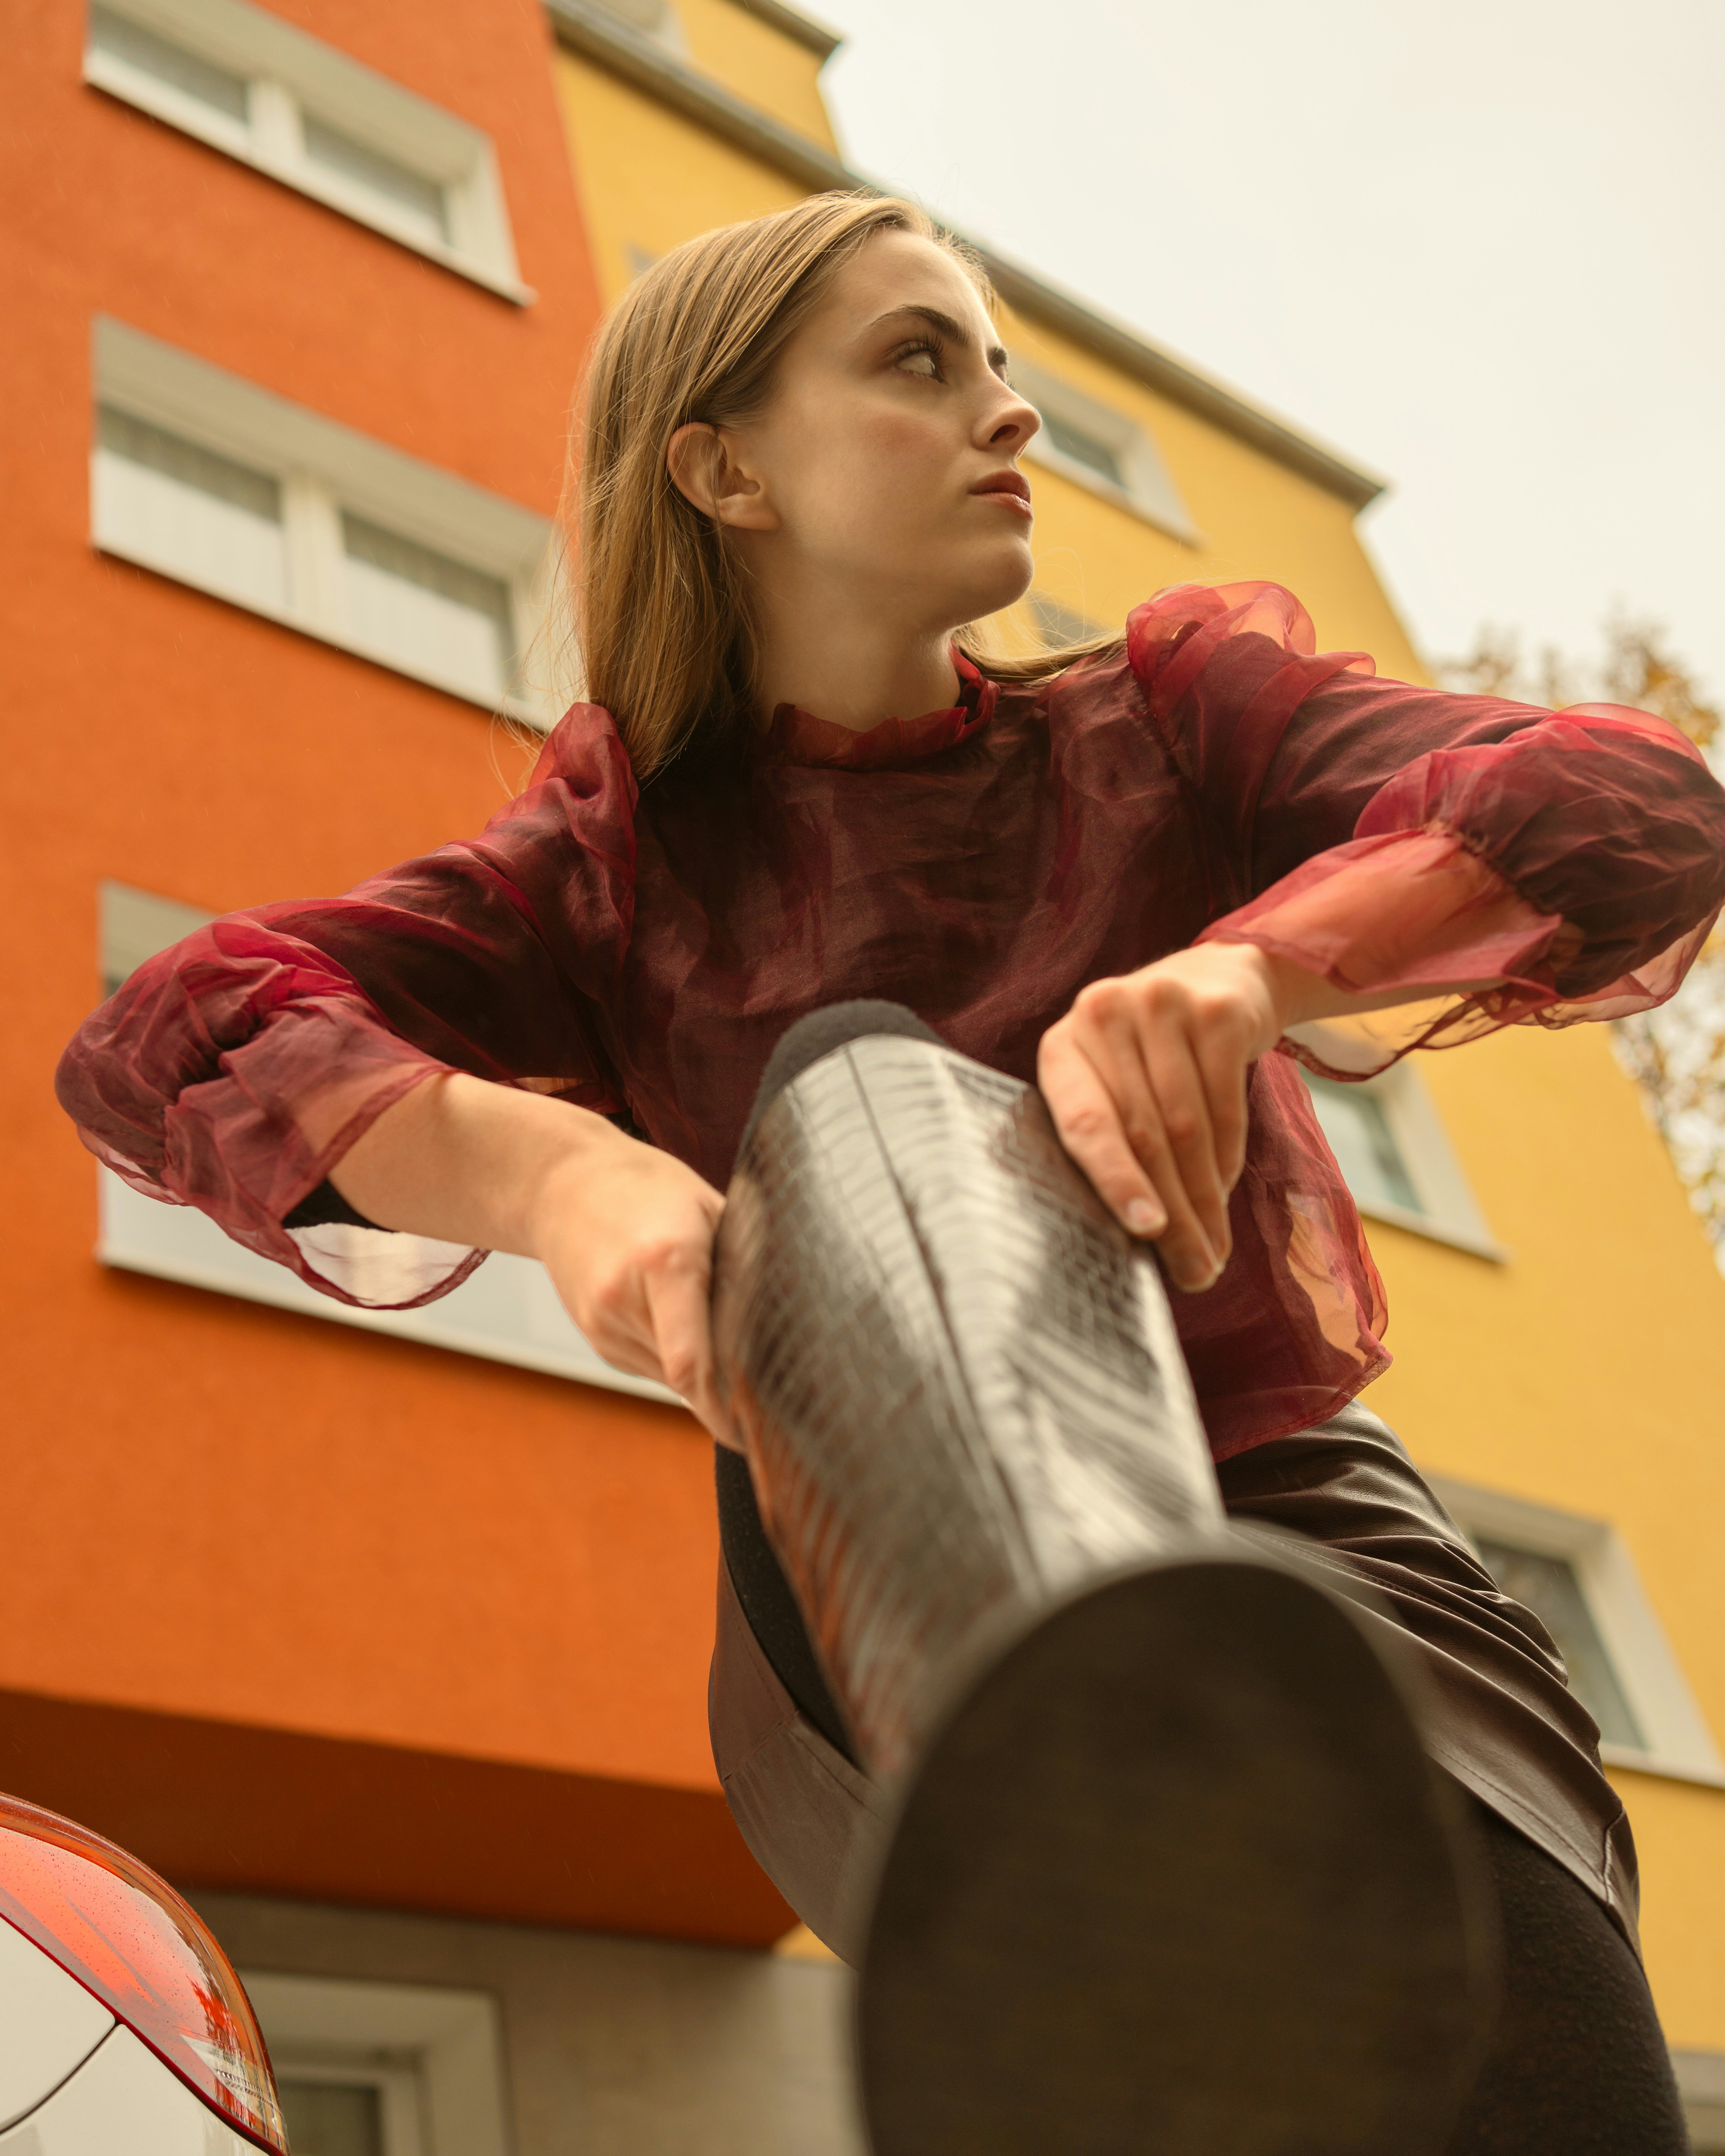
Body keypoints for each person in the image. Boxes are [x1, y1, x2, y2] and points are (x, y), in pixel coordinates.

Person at [58, 192, 1725, 2150]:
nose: (1008, 415)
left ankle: (1169, 1750)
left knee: (1533, 2053)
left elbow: (1629, 801)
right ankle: (1072, 1756)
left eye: (1006, 367)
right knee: (854, 1090)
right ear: (723, 464)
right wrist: (558, 1182)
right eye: (923, 362)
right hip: (879, 1599)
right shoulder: (608, 877)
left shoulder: (1167, 724)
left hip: (1277, 1521)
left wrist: (1249, 968)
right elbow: (170, 1032)